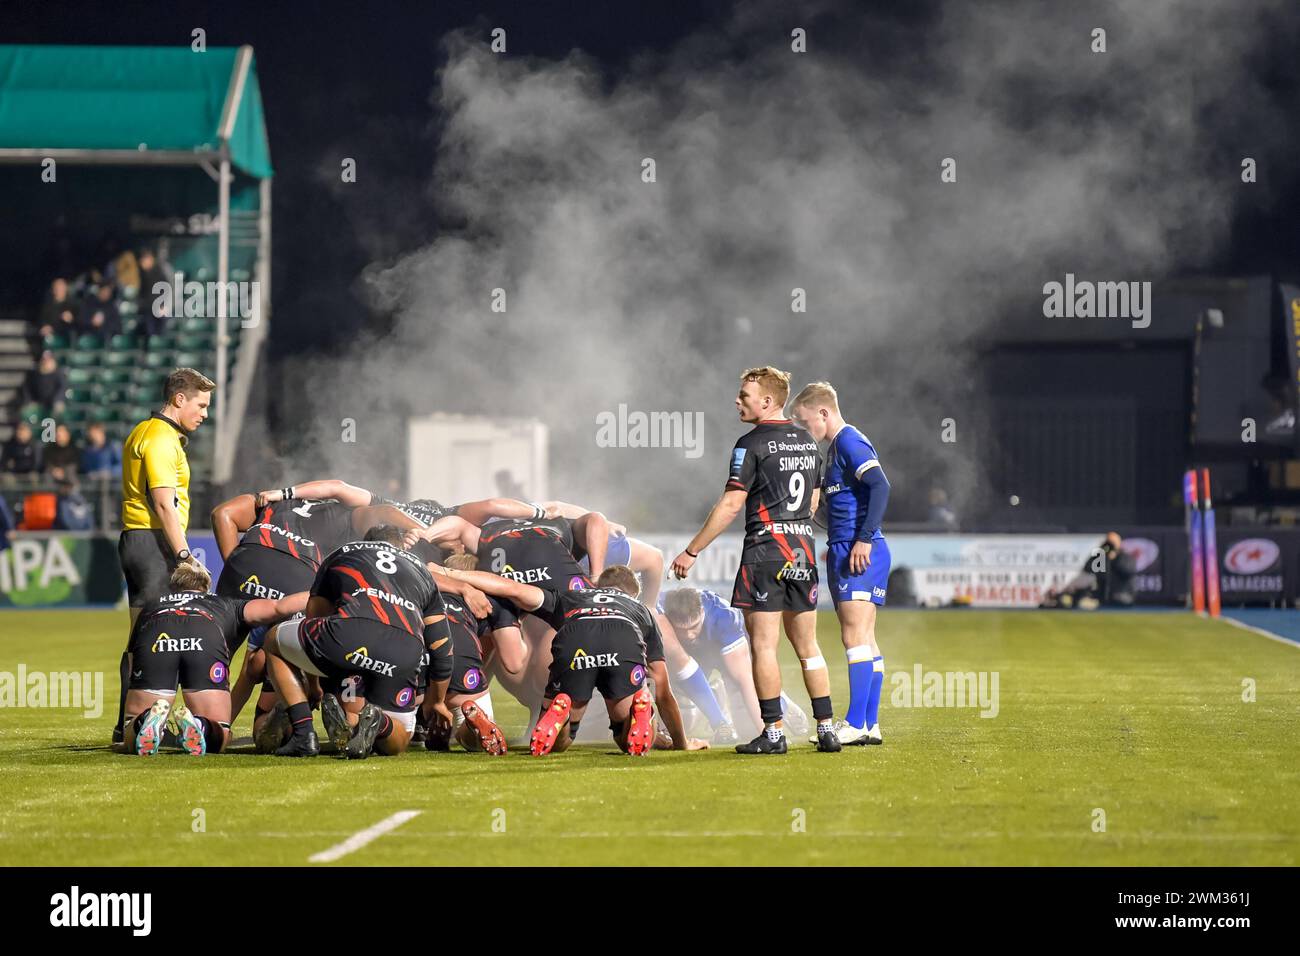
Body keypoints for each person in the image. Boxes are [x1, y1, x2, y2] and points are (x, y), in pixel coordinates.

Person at [671, 366, 841, 754]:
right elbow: (814, 501)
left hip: (765, 551)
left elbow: (732, 504)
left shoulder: (751, 444)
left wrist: (692, 549)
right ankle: (827, 729)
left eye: (744, 395)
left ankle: (775, 734)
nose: (737, 401)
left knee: (763, 647)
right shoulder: (809, 442)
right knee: (808, 646)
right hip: (801, 547)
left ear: (767, 401)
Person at [209, 478, 430, 740]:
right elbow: (383, 513)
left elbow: (221, 513)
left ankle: (215, 727)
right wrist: (426, 531)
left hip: (244, 566)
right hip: (297, 581)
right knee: (303, 648)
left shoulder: (273, 503)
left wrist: (236, 563)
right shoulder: (346, 516)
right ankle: (306, 713)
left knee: (227, 658)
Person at [435, 562, 707, 754]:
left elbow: (511, 589)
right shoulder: (640, 609)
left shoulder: (571, 596)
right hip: (624, 636)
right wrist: (681, 742)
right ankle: (640, 711)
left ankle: (561, 711)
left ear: (598, 586)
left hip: (577, 635)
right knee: (626, 740)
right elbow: (663, 688)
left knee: (558, 742)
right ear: (630, 593)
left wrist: (450, 573)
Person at [262, 526, 453, 759]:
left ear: (365, 540)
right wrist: (437, 702)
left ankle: (303, 734)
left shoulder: (342, 553)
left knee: (273, 640)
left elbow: (316, 617)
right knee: (399, 739)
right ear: (400, 546)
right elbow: (442, 646)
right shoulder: (420, 569)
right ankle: (379, 721)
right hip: (404, 648)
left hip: (350, 633)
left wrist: (313, 685)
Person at [112, 367, 214, 746]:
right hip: (153, 544)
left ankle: (128, 727)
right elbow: (163, 503)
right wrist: (185, 554)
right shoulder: (160, 438)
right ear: (179, 399)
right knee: (156, 637)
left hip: (140, 542)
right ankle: (133, 727)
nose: (204, 413)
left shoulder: (145, 431)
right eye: (201, 405)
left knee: (143, 637)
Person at [790, 381, 891, 745]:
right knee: (867, 639)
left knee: (853, 637)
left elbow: (881, 486)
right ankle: (869, 724)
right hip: (851, 545)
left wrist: (863, 538)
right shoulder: (835, 449)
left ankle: (853, 722)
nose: (805, 430)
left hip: (857, 549)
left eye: (804, 422)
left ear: (823, 412)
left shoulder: (848, 441)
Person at [124, 561, 308, 756]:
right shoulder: (224, 603)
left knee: (131, 726)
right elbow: (278, 607)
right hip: (205, 632)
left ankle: (145, 721)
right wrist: (321, 594)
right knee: (219, 733)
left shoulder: (152, 605)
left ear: (173, 587)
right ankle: (202, 727)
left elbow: (131, 658)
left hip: (157, 631)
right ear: (205, 587)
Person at [659, 586, 811, 740]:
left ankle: (780, 702)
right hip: (693, 654)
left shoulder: (724, 618)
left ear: (702, 612)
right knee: (685, 718)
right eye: (681, 630)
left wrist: (769, 736)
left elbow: (745, 681)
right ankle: (717, 704)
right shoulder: (660, 607)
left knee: (748, 727)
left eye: (693, 627)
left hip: (727, 651)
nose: (689, 635)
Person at [420, 553, 525, 755]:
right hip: (460, 651)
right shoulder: (490, 599)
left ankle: (414, 725)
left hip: (418, 648)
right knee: (473, 738)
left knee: (398, 722)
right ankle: (471, 725)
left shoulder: (424, 585)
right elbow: (514, 663)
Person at [1041, 532, 1137, 609]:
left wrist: (1114, 559)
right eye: (1108, 543)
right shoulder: (1102, 555)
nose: (1110, 546)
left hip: (1122, 596)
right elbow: (1088, 569)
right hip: (1103, 598)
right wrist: (1103, 554)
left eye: (1112, 543)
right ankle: (1060, 598)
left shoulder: (1125, 557)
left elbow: (1127, 572)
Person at [21, 351, 66, 416]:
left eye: (48, 360)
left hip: (54, 402)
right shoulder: (34, 375)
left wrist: (57, 400)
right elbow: (27, 389)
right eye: (44, 360)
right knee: (25, 412)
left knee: (58, 410)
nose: (45, 362)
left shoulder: (59, 374)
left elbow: (62, 389)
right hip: (37, 403)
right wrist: (29, 401)